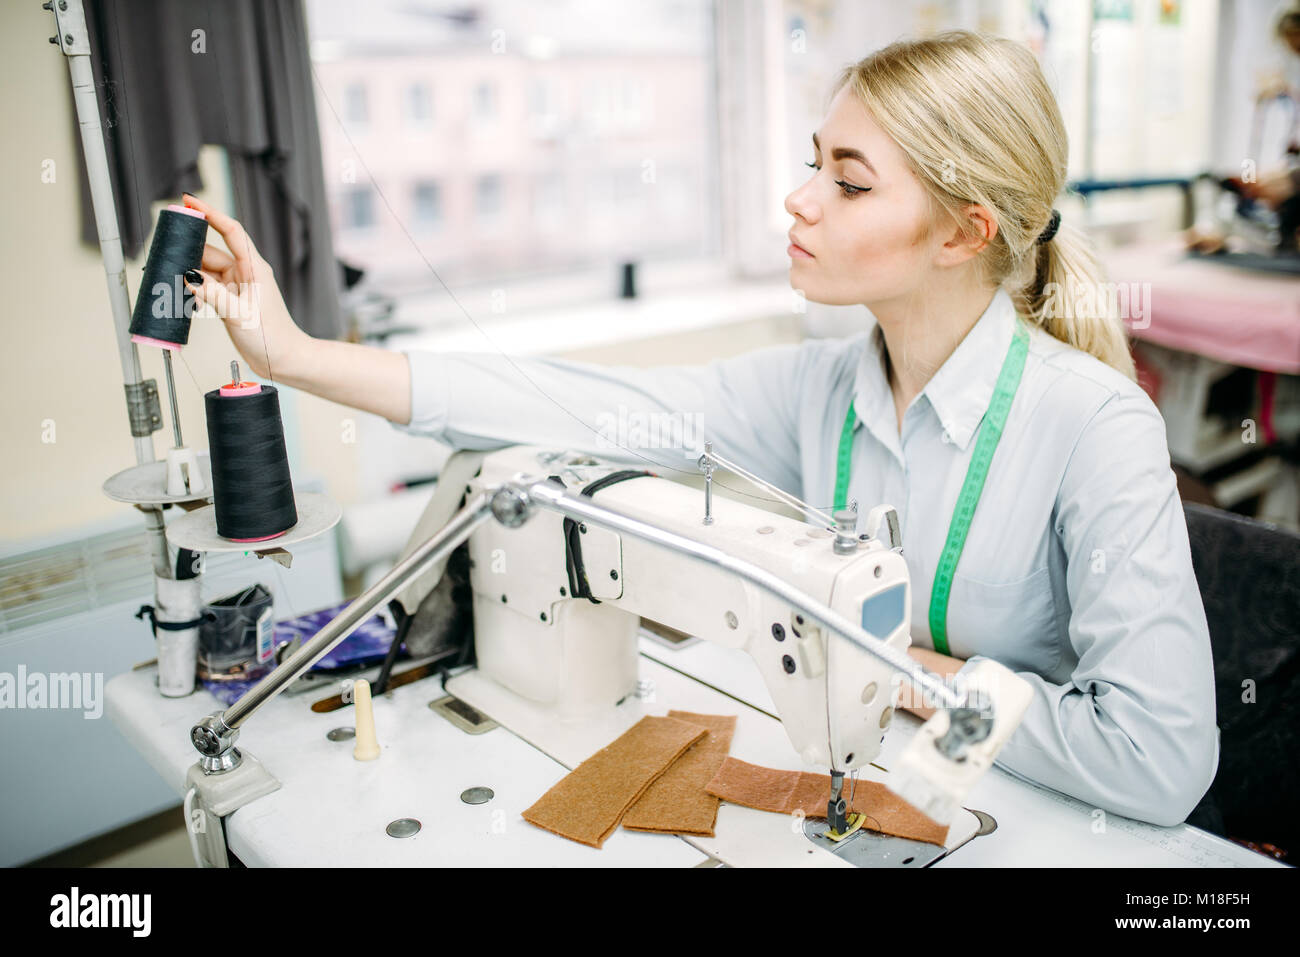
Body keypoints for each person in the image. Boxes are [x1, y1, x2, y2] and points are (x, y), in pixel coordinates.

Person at [183, 30, 1219, 828]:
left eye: (847, 182)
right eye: (814, 162)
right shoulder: (815, 394)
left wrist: (917, 683)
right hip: (924, 797)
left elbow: (1158, 760)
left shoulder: (1095, 430)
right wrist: (295, 356)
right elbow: (564, 401)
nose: (797, 199)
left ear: (962, 231)